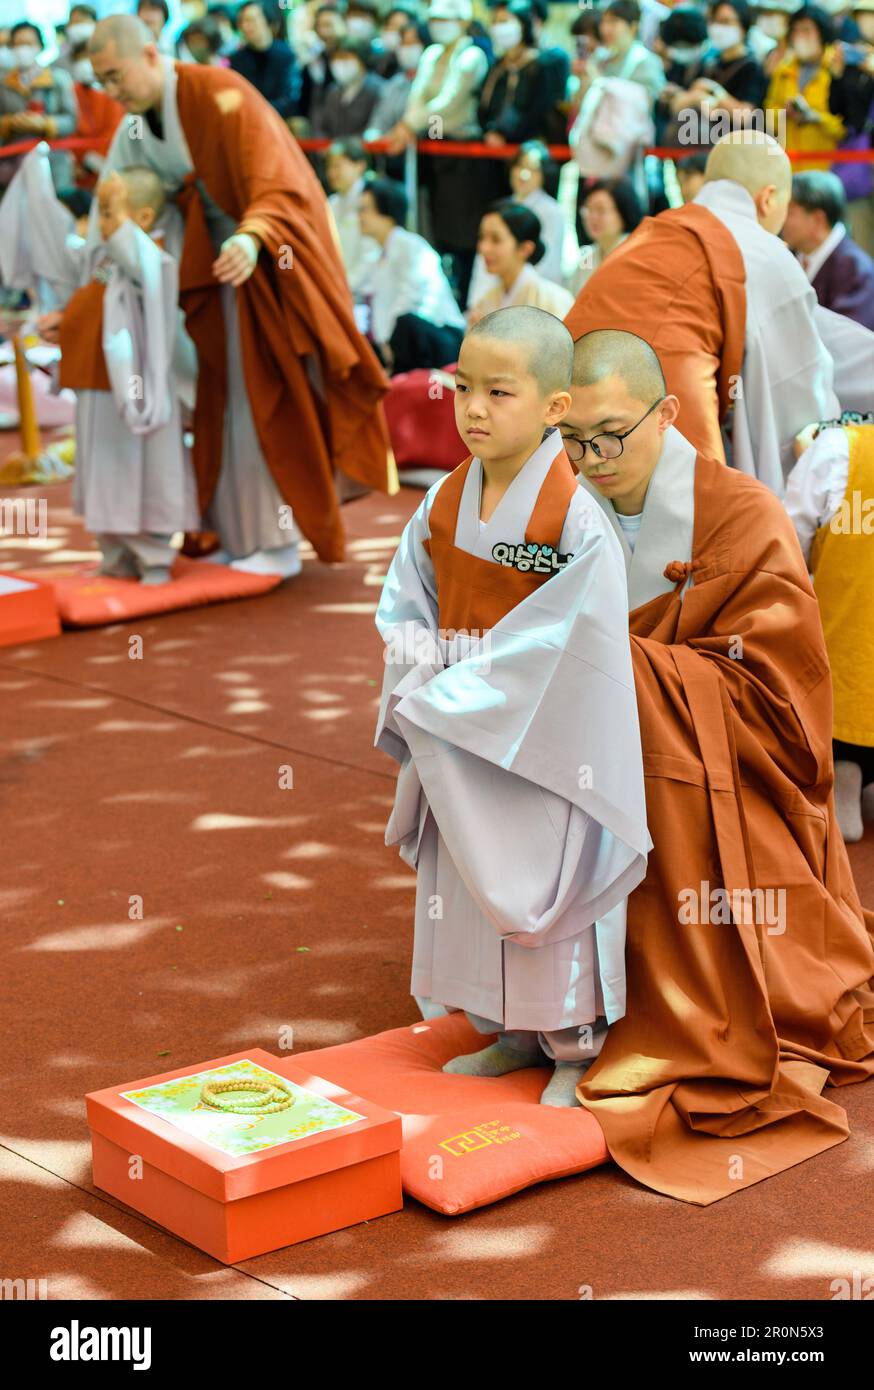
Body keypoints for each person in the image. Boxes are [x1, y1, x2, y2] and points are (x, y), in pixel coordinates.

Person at [555, 326, 874, 1202]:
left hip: (728, 776)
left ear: (666, 413)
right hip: (583, 745)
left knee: (653, 755)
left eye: (612, 434)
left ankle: (644, 1017)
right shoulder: (559, 498)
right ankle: (548, 1008)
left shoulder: (741, 513)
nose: (592, 458)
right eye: (574, 439)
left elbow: (784, 704)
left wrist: (633, 669)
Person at [375, 306, 649, 1105]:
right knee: (469, 883)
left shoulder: (576, 517)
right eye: (464, 388)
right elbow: (406, 604)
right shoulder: (444, 500)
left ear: (556, 408)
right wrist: (425, 676)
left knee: (545, 885)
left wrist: (465, 692)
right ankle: (505, 1033)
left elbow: (573, 640)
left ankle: (570, 1047)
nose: (474, 410)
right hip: (461, 737)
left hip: (547, 741)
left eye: (500, 392)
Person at [88, 13, 391, 573]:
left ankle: (273, 545)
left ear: (151, 54)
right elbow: (108, 202)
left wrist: (254, 239)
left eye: (115, 75)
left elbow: (279, 180)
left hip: (261, 271)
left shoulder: (221, 92)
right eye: (101, 81)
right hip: (203, 275)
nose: (112, 91)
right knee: (217, 403)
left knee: (260, 402)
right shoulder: (135, 123)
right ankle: (234, 534)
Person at [565, 130, 839, 495]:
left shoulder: (654, 230)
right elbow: (797, 392)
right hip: (664, 416)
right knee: (703, 524)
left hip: (568, 416)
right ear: (768, 199)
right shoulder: (764, 249)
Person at [0, 148, 198, 582]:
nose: (99, 223)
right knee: (101, 474)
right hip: (96, 387)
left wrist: (123, 229)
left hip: (135, 391)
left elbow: (140, 287)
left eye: (108, 212)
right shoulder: (106, 260)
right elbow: (91, 302)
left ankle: (154, 558)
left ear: (144, 217)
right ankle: (115, 556)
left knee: (137, 473)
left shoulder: (155, 261)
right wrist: (66, 324)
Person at [387, 0, 489, 304]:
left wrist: (408, 125)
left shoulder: (472, 56)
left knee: (463, 233)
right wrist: (409, 123)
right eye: (434, 18)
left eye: (445, 18)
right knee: (436, 228)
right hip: (433, 153)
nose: (438, 23)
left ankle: (465, 298)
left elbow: (450, 103)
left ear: (461, 21)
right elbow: (418, 97)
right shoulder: (431, 54)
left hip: (464, 156)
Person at [358, 175, 466, 373]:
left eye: (365, 210)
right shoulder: (377, 256)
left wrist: (389, 343)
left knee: (405, 324)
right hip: (401, 344)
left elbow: (413, 299)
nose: (360, 217)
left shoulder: (410, 246)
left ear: (386, 212)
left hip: (440, 339)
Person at [782, 169, 874, 327]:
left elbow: (847, 338)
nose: (783, 219)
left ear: (818, 220)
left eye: (790, 212)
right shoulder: (789, 255)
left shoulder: (856, 270)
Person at [468, 200, 574, 324]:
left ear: (525, 248)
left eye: (496, 240)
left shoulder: (554, 300)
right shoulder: (485, 302)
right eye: (482, 237)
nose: (484, 248)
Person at [0, 21, 78, 190]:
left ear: (40, 46)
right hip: (12, 167)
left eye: (29, 43)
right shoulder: (3, 83)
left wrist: (45, 124)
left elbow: (71, 120)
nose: (23, 49)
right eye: (18, 44)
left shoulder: (58, 79)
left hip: (53, 164)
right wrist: (11, 122)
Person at [766, 4, 846, 167]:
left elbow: (845, 127)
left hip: (825, 168)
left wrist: (814, 117)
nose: (800, 36)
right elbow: (768, 114)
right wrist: (784, 112)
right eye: (795, 31)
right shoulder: (783, 70)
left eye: (807, 30)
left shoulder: (836, 69)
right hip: (787, 165)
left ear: (822, 34)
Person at [570, 177, 645, 295]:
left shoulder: (638, 255)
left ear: (623, 212)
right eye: (588, 209)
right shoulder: (587, 257)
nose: (592, 217)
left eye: (601, 210)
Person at [325, 137, 379, 295]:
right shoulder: (331, 203)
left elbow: (371, 256)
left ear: (359, 166)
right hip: (339, 290)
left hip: (366, 292)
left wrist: (343, 288)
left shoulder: (373, 201)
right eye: (329, 167)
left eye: (337, 166)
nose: (331, 173)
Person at [230, 1, 299, 120]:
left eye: (251, 20)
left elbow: (289, 99)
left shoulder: (285, 55)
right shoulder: (237, 59)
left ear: (269, 22)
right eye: (242, 21)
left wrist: (260, 111)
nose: (245, 27)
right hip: (248, 118)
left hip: (278, 119)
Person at [311, 37, 384, 138]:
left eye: (346, 58)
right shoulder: (333, 91)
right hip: (331, 151)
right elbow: (321, 124)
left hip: (363, 150)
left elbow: (376, 127)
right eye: (336, 59)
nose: (340, 64)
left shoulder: (379, 89)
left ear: (361, 60)